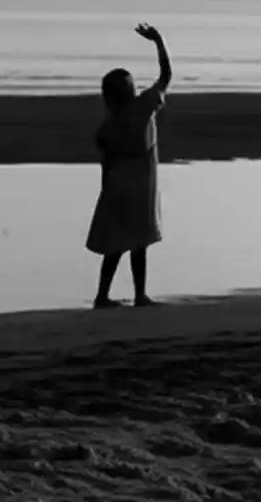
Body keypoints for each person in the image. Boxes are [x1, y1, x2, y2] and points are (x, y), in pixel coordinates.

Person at [86, 23, 173, 309]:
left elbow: (106, 164)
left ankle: (102, 295)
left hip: (118, 187)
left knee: (115, 245)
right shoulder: (143, 106)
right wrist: (158, 41)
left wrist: (105, 192)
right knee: (139, 242)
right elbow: (166, 75)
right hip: (141, 186)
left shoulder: (107, 127)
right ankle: (139, 295)